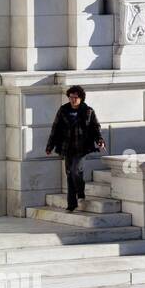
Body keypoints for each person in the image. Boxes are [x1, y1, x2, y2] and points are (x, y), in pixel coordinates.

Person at [45, 85, 106, 213]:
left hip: (82, 147)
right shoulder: (63, 110)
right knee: (69, 174)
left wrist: (100, 141)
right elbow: (55, 129)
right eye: (71, 97)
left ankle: (81, 192)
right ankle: (71, 204)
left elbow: (95, 128)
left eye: (75, 98)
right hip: (67, 147)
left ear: (81, 98)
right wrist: (50, 146)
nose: (72, 100)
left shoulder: (88, 111)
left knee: (75, 171)